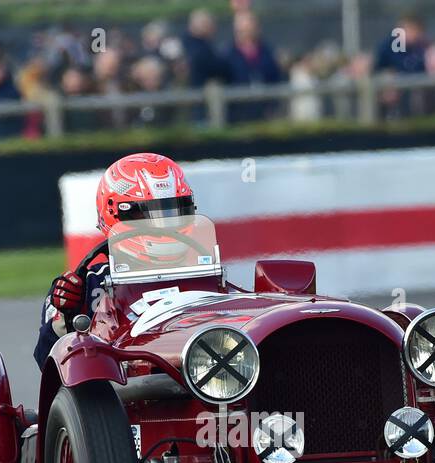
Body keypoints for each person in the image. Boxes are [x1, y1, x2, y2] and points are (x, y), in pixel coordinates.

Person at [35, 152, 196, 368]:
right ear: (118, 213)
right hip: (121, 391)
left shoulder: (205, 274)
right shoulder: (88, 284)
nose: (164, 225)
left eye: (172, 211)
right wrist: (65, 315)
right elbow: (48, 363)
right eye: (147, 215)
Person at [224, 10, 282, 122]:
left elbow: (275, 78)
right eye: (242, 30)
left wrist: (273, 106)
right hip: (237, 114)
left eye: (249, 28)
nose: (246, 33)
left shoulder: (267, 52)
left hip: (264, 113)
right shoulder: (227, 54)